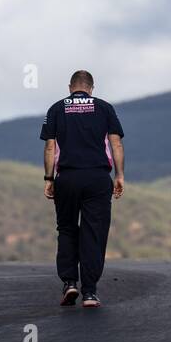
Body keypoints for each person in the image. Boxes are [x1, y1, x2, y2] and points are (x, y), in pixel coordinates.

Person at [42, 70, 125, 308]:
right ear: (91, 88)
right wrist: (119, 175)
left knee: (67, 229)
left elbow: (50, 147)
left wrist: (49, 178)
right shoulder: (104, 107)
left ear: (70, 87)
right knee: (94, 232)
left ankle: (69, 283)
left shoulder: (56, 109)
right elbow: (116, 142)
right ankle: (90, 292)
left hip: (66, 177)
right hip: (97, 177)